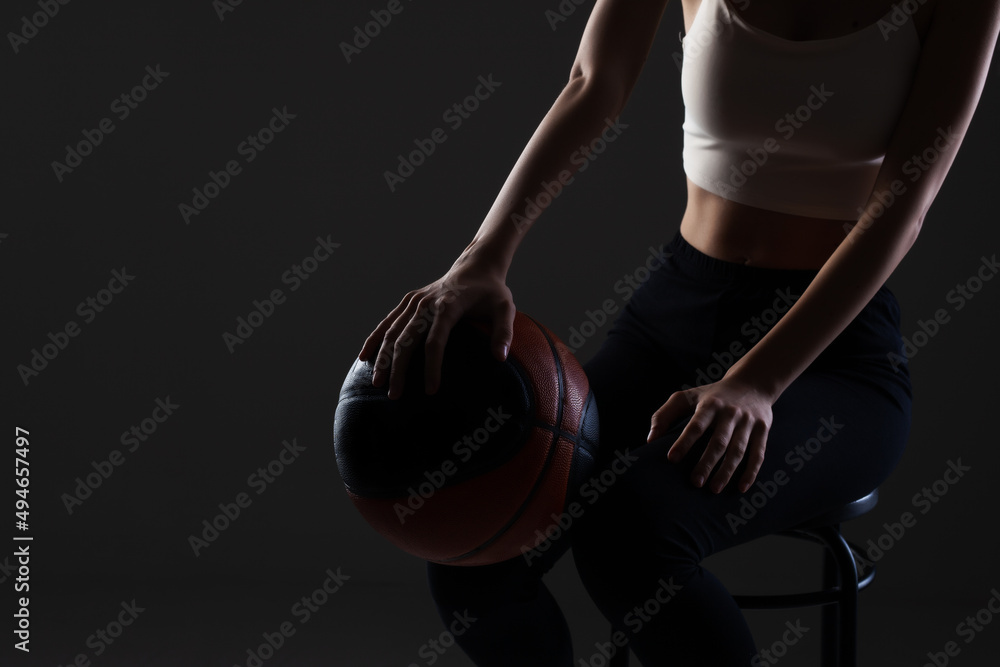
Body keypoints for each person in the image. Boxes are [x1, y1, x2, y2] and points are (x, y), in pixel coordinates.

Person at [357, 0, 1000, 664]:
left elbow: (902, 208)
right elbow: (591, 83)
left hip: (830, 355)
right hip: (674, 320)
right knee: (469, 520)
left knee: (631, 534)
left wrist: (756, 381)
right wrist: (482, 257)